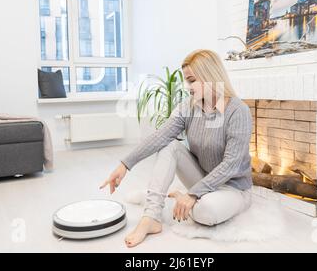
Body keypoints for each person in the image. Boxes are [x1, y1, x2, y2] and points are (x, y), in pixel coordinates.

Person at [100, 49, 253, 248]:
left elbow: (231, 165)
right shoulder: (188, 106)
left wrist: (192, 194)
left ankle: (186, 197)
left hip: (234, 188)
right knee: (170, 145)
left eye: (191, 80)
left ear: (209, 76)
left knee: (205, 212)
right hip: (203, 178)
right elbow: (160, 137)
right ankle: (151, 217)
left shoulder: (238, 111)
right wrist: (124, 165)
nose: (187, 86)